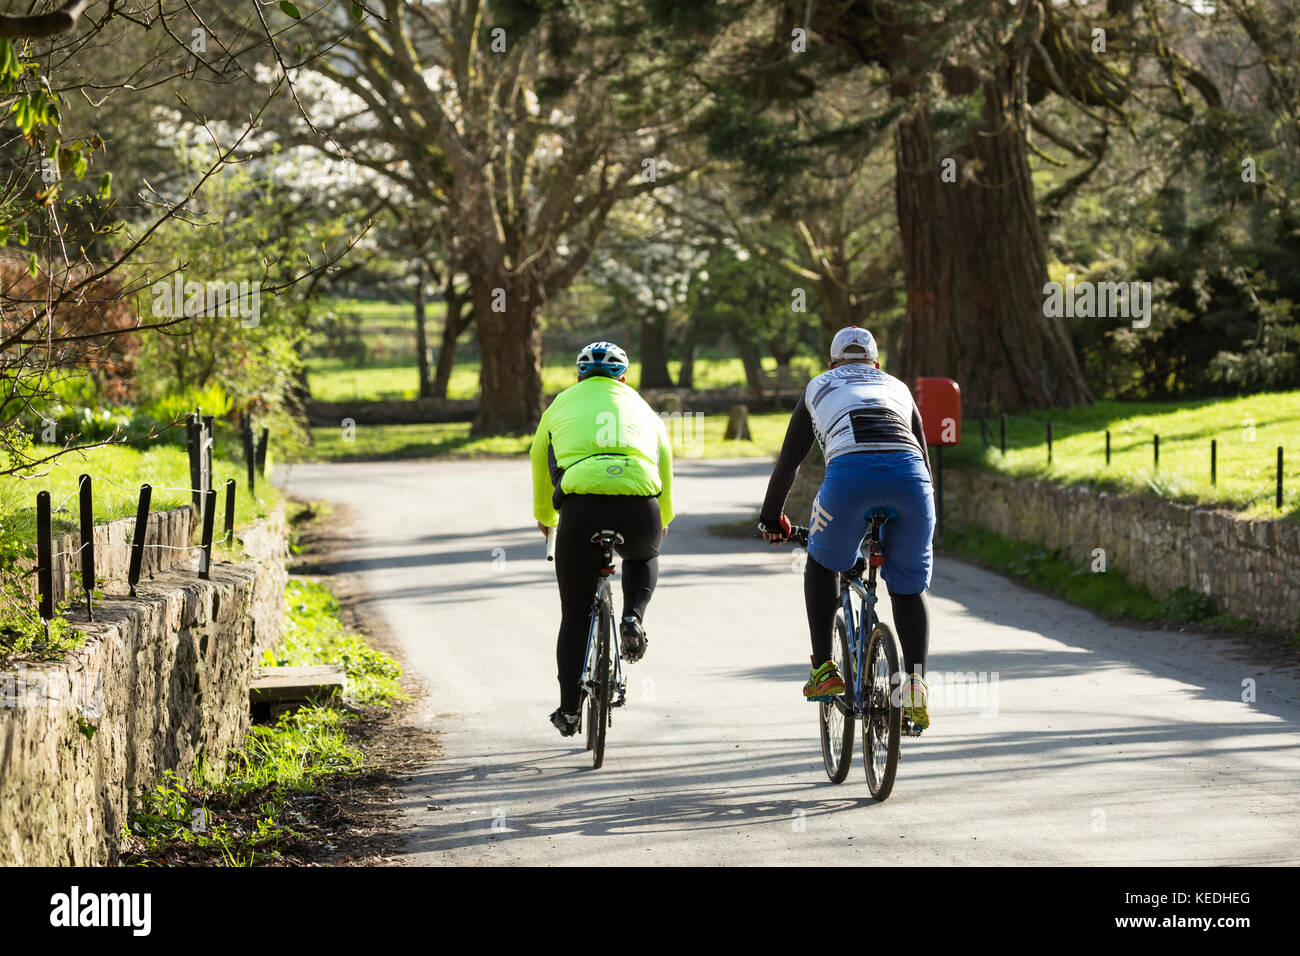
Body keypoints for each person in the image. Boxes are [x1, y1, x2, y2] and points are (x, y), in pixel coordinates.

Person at [758, 327, 936, 730]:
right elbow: (924, 459)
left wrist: (771, 517)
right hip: (912, 483)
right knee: (908, 588)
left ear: (832, 363)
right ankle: (914, 684)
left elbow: (791, 461)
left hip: (851, 479)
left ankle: (824, 670)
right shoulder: (898, 387)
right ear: (876, 364)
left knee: (821, 562)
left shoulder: (818, 386)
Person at [530, 341, 675, 737]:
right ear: (624, 378)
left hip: (581, 506)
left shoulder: (560, 404)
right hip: (639, 501)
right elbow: (663, 459)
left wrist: (545, 517)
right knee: (643, 556)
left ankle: (570, 711)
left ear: (578, 376)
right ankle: (632, 617)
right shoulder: (642, 408)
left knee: (575, 615)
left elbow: (538, 455)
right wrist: (665, 516)